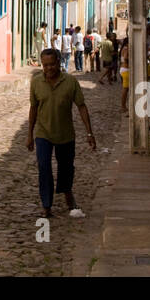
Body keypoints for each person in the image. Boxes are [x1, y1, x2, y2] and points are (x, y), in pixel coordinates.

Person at [27, 47, 96, 219]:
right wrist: (30, 134)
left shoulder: (71, 82)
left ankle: (67, 193)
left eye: (51, 64)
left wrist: (89, 133)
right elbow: (33, 108)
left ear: (58, 62)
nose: (48, 68)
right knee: (44, 168)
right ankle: (46, 205)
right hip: (43, 133)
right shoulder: (36, 82)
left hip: (65, 133)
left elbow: (81, 106)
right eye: (45, 65)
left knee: (66, 168)